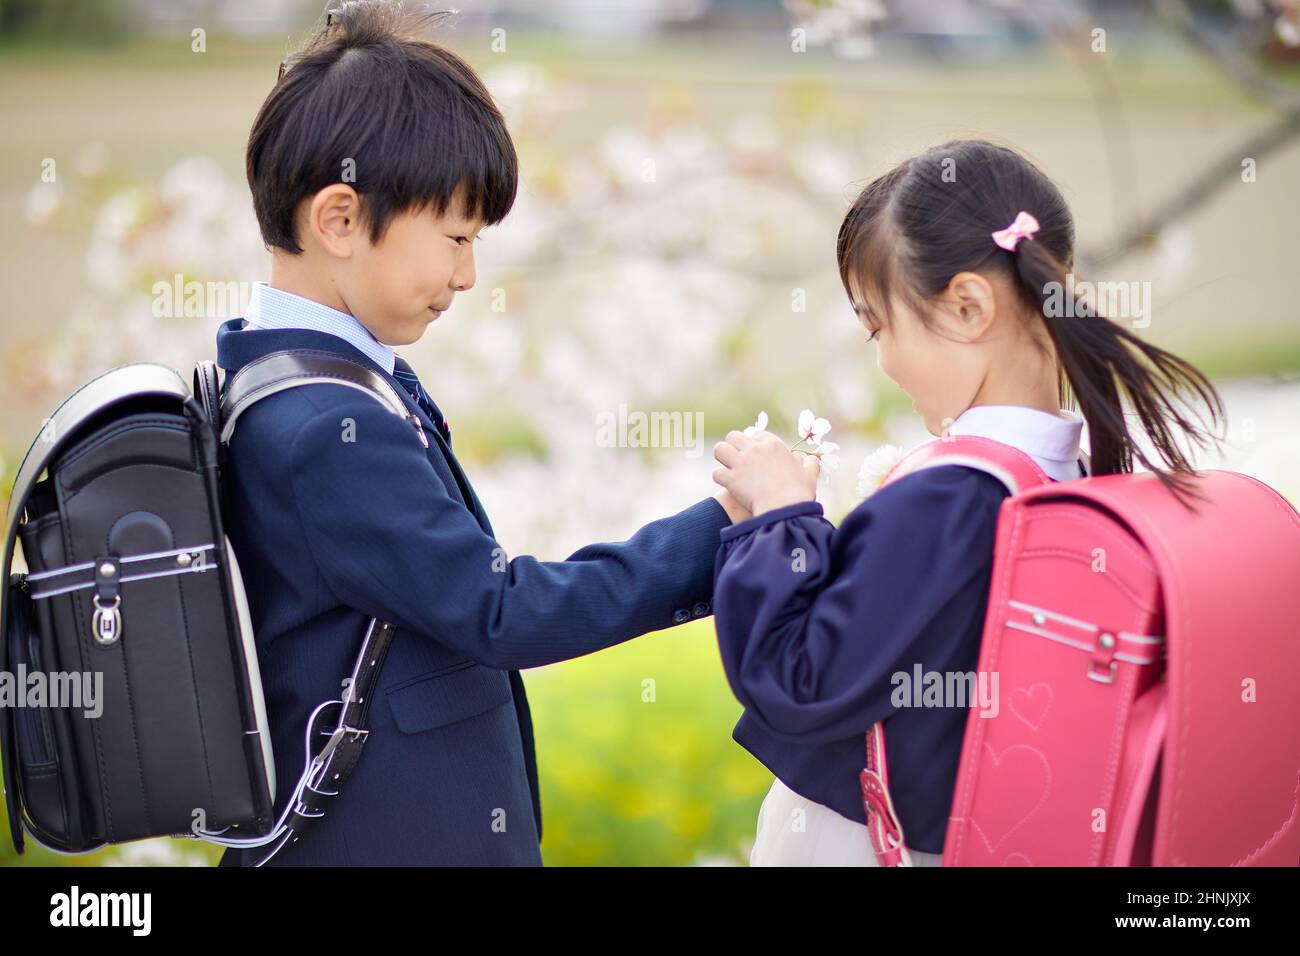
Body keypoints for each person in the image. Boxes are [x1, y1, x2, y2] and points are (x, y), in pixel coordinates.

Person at [216, 1, 749, 866]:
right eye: (456, 237)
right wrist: (720, 530)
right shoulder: (327, 425)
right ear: (340, 220)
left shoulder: (274, 379)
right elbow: (500, 613)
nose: (467, 275)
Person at [709, 138, 1224, 866]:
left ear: (968, 305)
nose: (881, 357)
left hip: (853, 839)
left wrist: (777, 521)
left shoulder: (947, 498)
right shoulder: (1074, 478)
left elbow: (801, 683)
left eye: (877, 325)